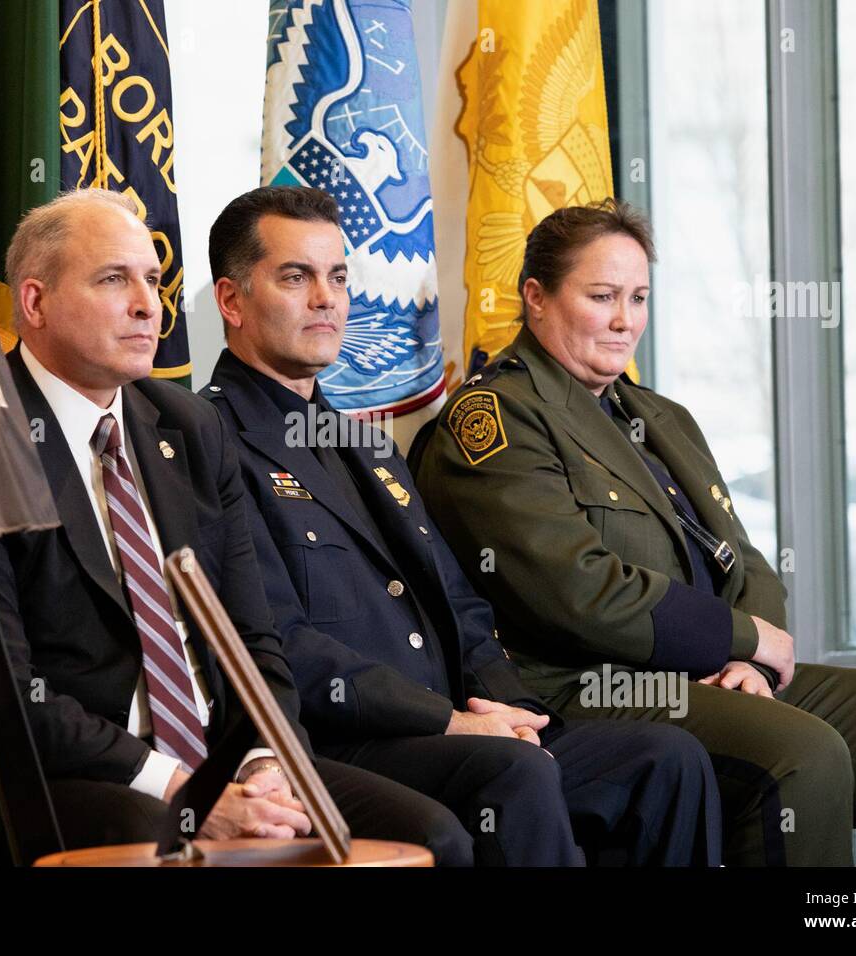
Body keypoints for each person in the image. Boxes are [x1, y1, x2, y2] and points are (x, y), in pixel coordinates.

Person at [412, 197, 856, 866]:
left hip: (711, 671)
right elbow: (577, 592)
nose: (625, 320)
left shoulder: (660, 416)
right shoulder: (495, 420)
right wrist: (740, 637)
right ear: (536, 297)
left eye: (638, 296)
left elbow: (744, 560)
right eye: (601, 296)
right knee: (803, 755)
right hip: (589, 686)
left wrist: (750, 662)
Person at [0, 188, 475, 865]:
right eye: (113, 279)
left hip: (220, 762)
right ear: (35, 303)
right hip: (71, 776)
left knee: (434, 838)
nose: (147, 305)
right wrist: (186, 789)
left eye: (153, 280)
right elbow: (5, 697)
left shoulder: (188, 428)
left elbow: (255, 640)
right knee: (182, 846)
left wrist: (264, 764)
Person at [198, 185, 723, 865]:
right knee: (514, 776)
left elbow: (461, 604)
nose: (327, 299)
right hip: (346, 740)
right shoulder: (208, 439)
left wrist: (512, 712)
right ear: (232, 301)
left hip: (457, 725)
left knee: (666, 758)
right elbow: (279, 645)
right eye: (295, 278)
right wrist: (454, 721)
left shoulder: (367, 442)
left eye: (337, 277)